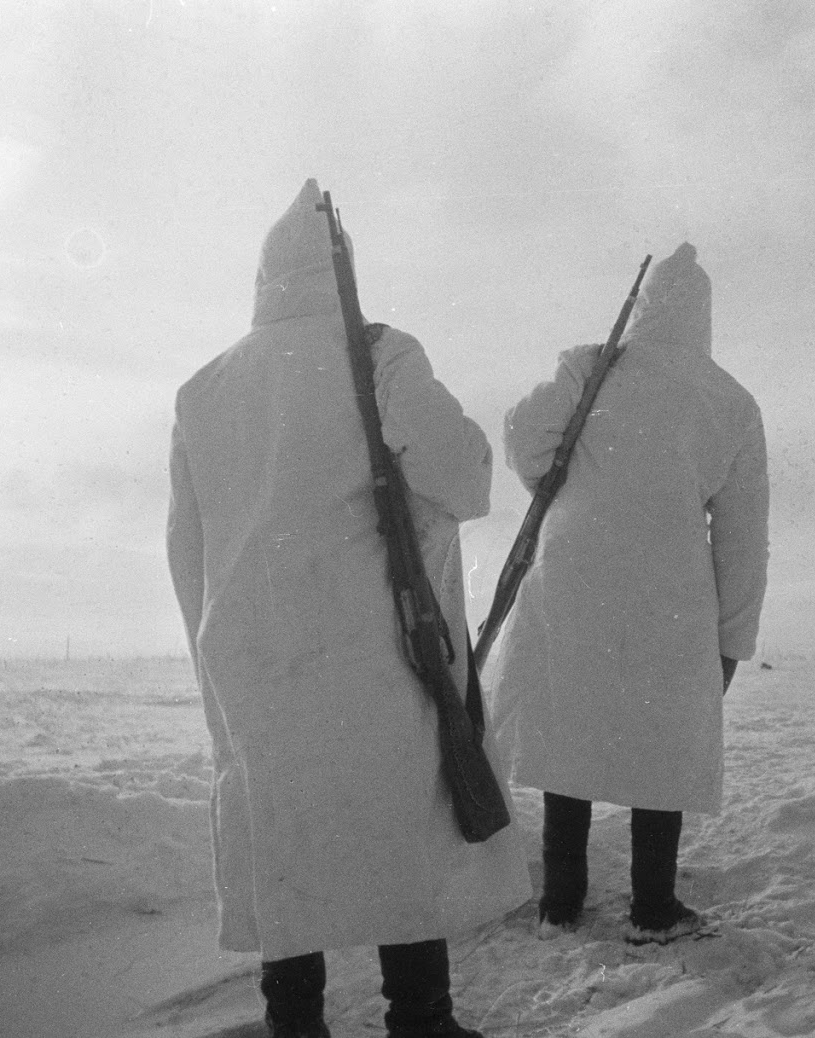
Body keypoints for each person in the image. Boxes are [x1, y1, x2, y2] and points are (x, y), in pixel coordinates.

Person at [167, 178, 529, 1038]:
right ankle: (421, 1019)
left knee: (282, 838)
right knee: (400, 826)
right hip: (374, 648)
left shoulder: (202, 389)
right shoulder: (380, 353)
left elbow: (187, 549)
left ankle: (293, 1024)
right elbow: (465, 479)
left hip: (250, 655)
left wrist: (214, 646)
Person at [487, 242, 770, 942]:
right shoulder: (731, 402)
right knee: (660, 748)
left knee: (570, 733)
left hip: (572, 580)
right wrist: (732, 641)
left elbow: (525, 442)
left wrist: (569, 478)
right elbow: (742, 537)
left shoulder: (593, 366)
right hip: (670, 595)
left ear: (642, 308)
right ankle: (652, 908)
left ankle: (561, 903)